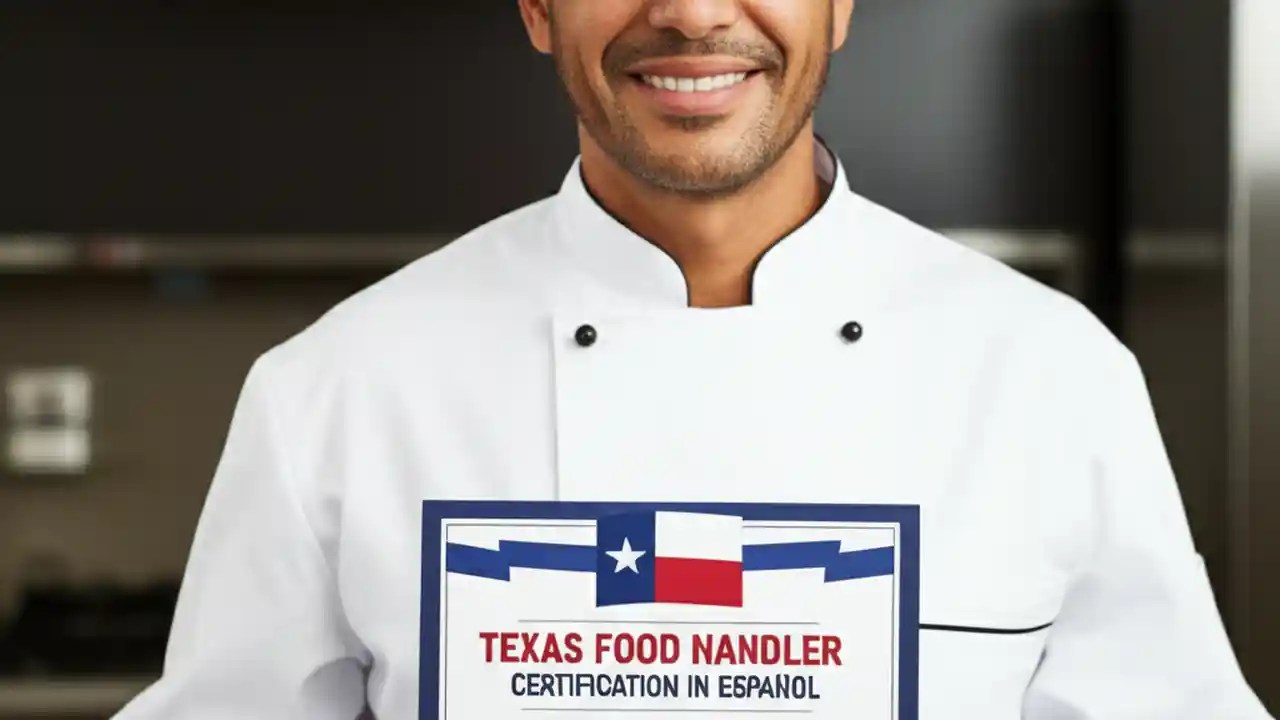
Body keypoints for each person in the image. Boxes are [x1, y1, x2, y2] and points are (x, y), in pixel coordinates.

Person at [115, 0, 1272, 718]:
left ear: (840, 3)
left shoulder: (1049, 376)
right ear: (534, 6)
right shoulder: (338, 391)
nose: (689, 11)